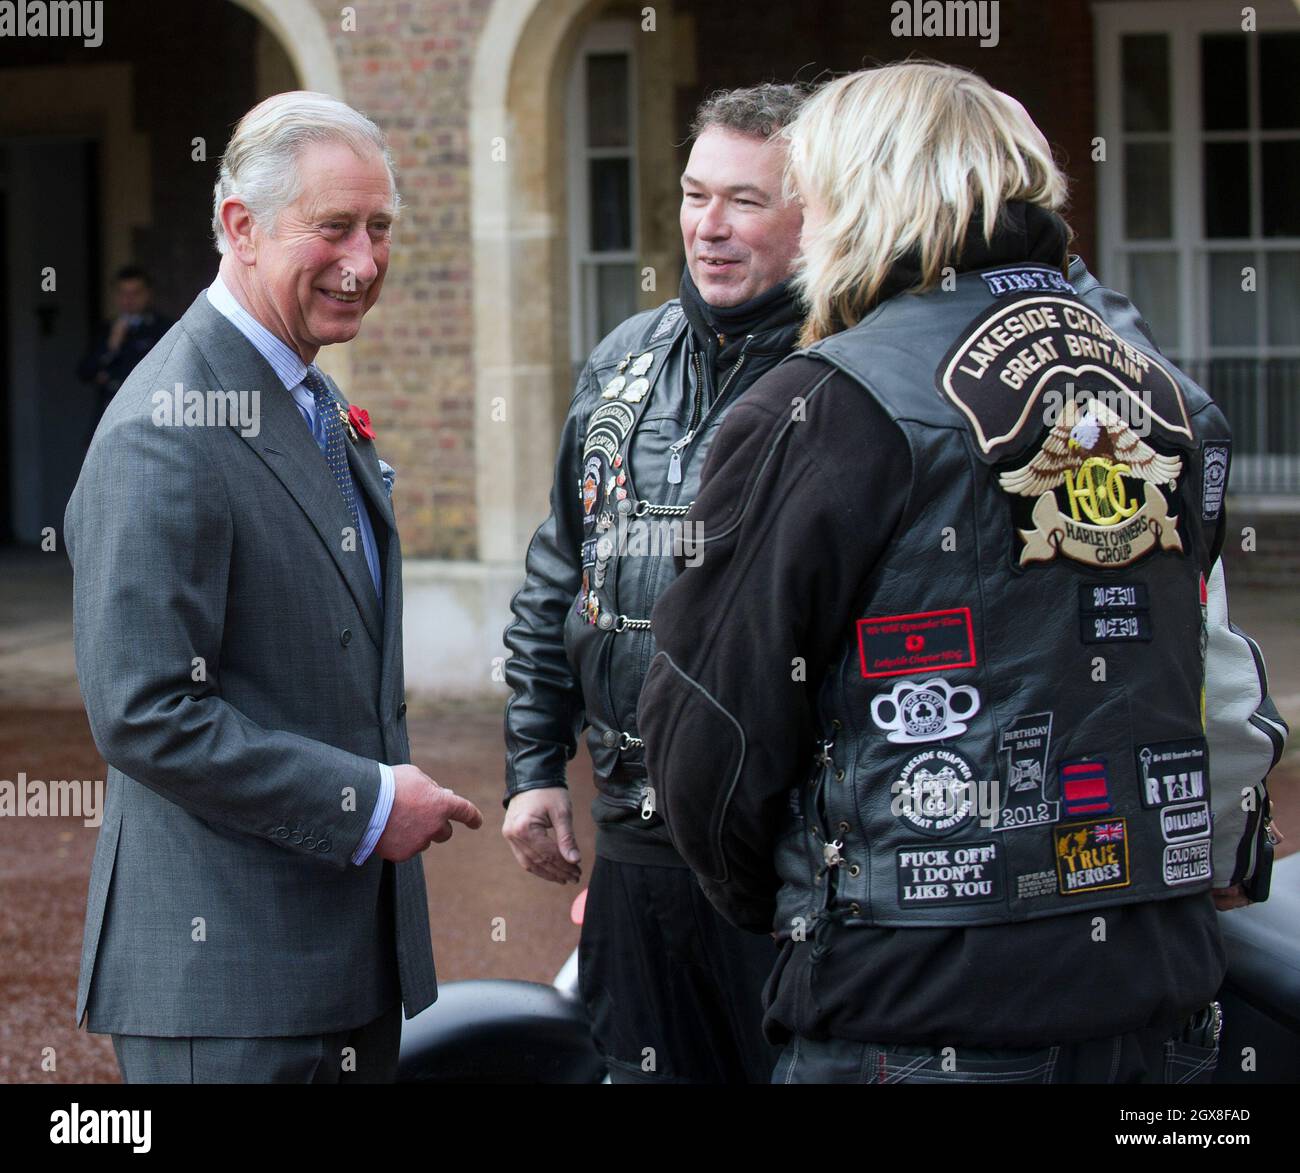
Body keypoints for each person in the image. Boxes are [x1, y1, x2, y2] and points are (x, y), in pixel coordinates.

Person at [640, 63, 1283, 1084]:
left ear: (858, 195)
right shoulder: (1168, 400)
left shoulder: (820, 405)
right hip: (1154, 999)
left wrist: (797, 908)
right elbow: (1217, 687)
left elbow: (708, 729)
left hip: (916, 999)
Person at [65, 91, 482, 1084]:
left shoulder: (303, 387)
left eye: (379, 228)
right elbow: (145, 712)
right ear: (240, 228)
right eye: (333, 227)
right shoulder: (166, 428)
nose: (365, 260)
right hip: (231, 986)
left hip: (332, 967)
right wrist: (371, 804)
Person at [501, 84, 806, 1083]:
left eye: (745, 202)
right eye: (693, 194)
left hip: (786, 852)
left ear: (817, 214)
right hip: (632, 839)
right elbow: (560, 567)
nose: (708, 228)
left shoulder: (840, 374)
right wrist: (534, 765)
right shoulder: (622, 361)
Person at [76, 265, 173, 426]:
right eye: (123, 293)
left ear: (148, 294)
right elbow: (85, 371)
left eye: (135, 293)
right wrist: (111, 346)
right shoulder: (106, 329)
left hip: (149, 414)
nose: (129, 299)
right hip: (110, 414)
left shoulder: (163, 328)